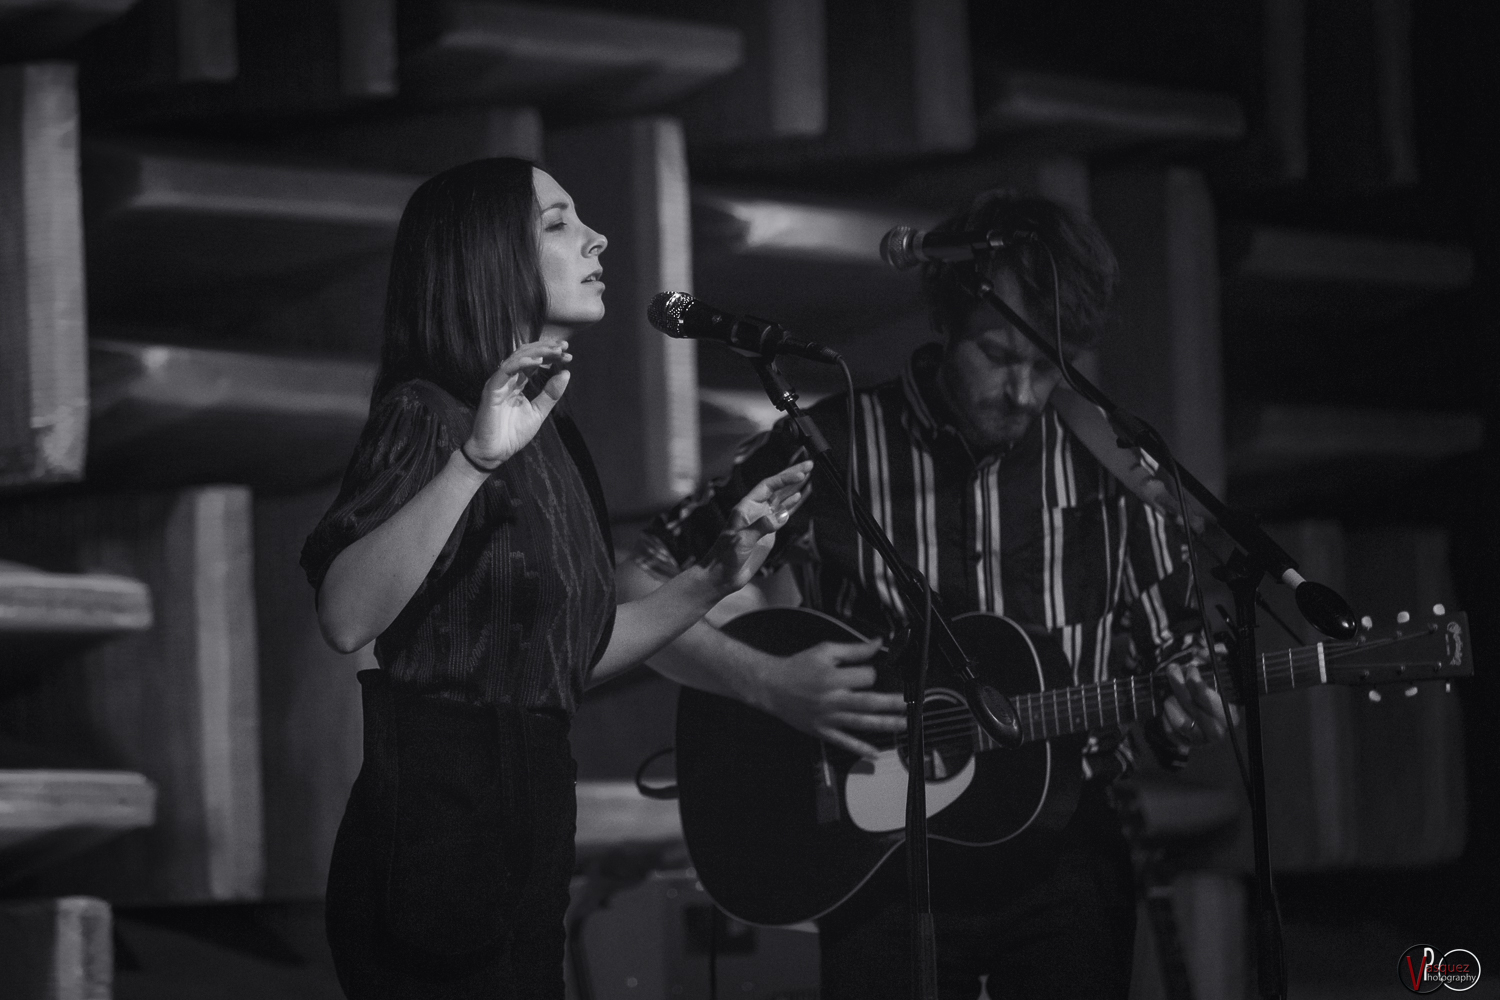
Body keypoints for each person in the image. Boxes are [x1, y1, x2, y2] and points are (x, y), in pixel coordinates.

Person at [618, 190, 1230, 998]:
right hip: (877, 847)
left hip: (1065, 850)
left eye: (1046, 367)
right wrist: (766, 684)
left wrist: (1191, 707)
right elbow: (640, 572)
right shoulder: (833, 447)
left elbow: (1176, 660)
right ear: (945, 321)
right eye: (997, 355)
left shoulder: (1113, 473)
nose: (1020, 391)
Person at [300, 157, 809, 999]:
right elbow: (345, 617)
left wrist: (712, 576)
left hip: (530, 817)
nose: (597, 236)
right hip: (435, 828)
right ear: (485, 254)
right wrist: (473, 461)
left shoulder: (553, 433)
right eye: (558, 222)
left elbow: (568, 660)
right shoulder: (429, 415)